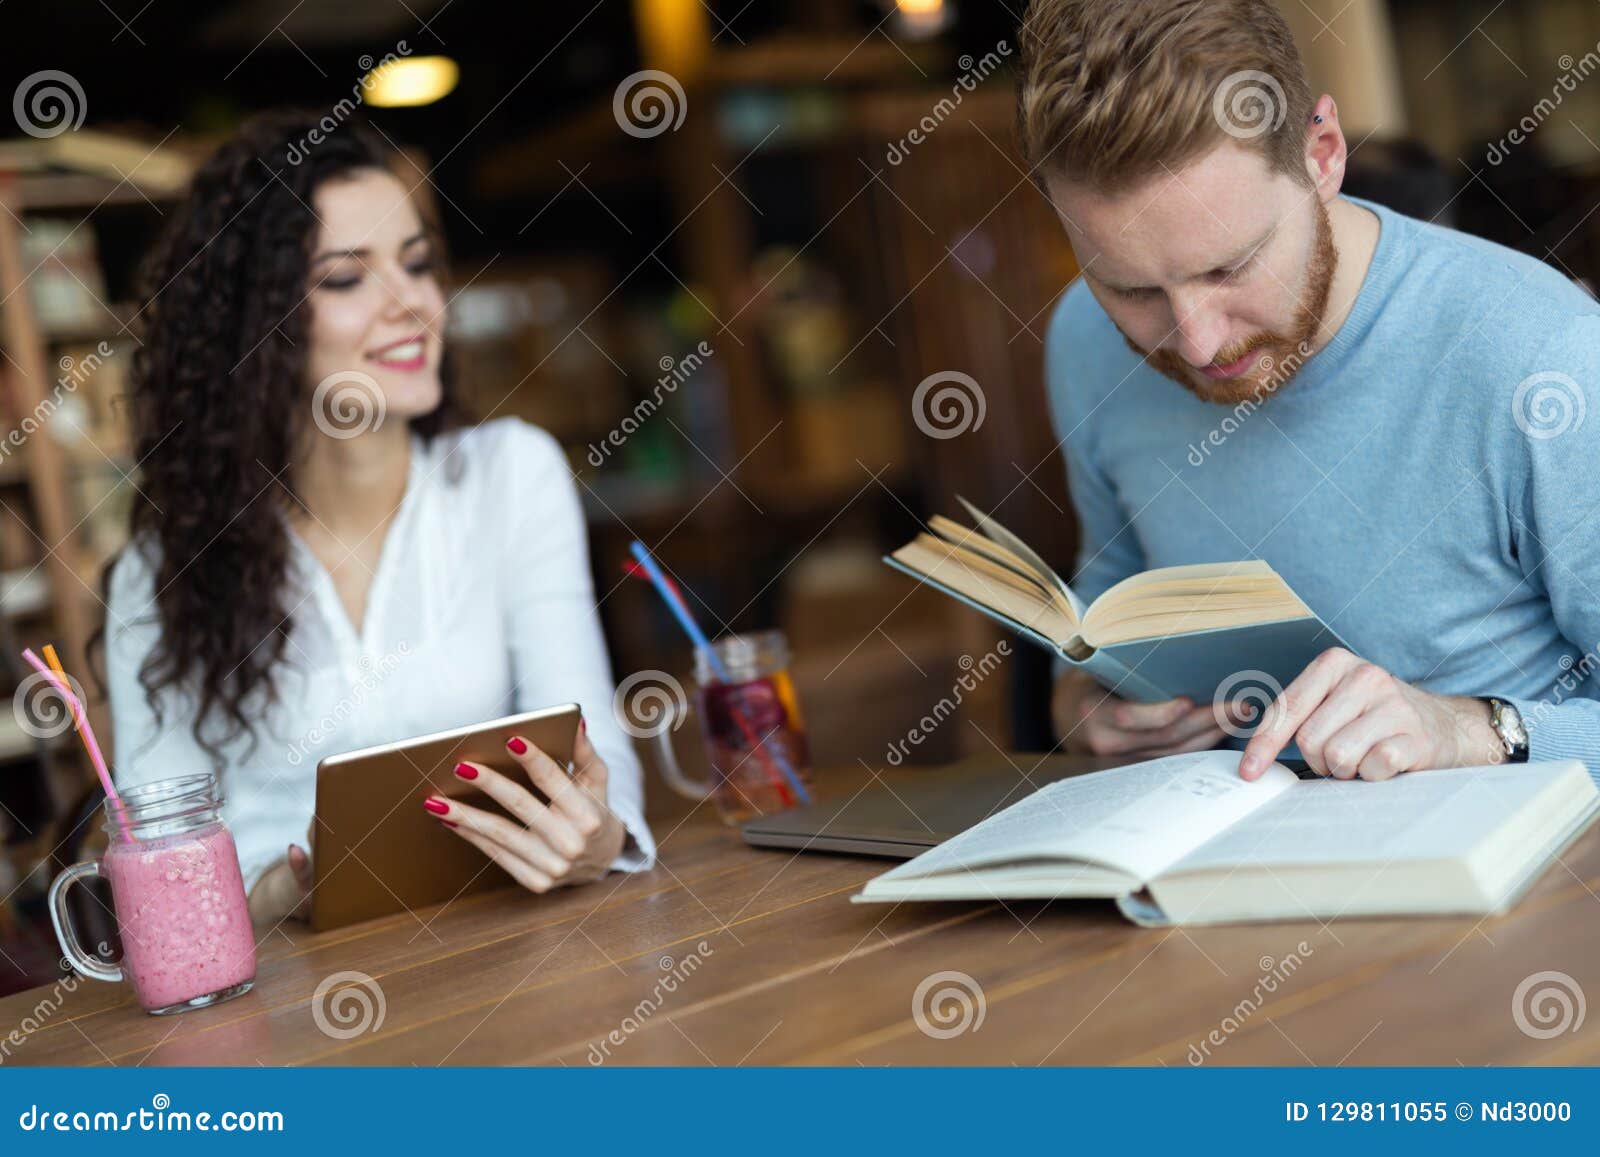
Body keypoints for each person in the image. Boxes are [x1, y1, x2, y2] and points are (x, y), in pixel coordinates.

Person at [1020, 0, 1600, 782]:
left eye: (1228, 267)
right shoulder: (1083, 340)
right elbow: (1111, 584)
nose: (1198, 341)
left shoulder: (1543, 355)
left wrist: (1468, 729)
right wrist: (1082, 702)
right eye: (1130, 288)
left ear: (1322, 154)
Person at [99, 111, 655, 924]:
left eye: (418, 263)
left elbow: (597, 756)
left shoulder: (511, 475)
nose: (413, 304)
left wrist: (595, 838)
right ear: (254, 330)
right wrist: (293, 888)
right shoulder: (160, 576)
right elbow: (170, 905)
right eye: (346, 277)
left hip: (526, 964)